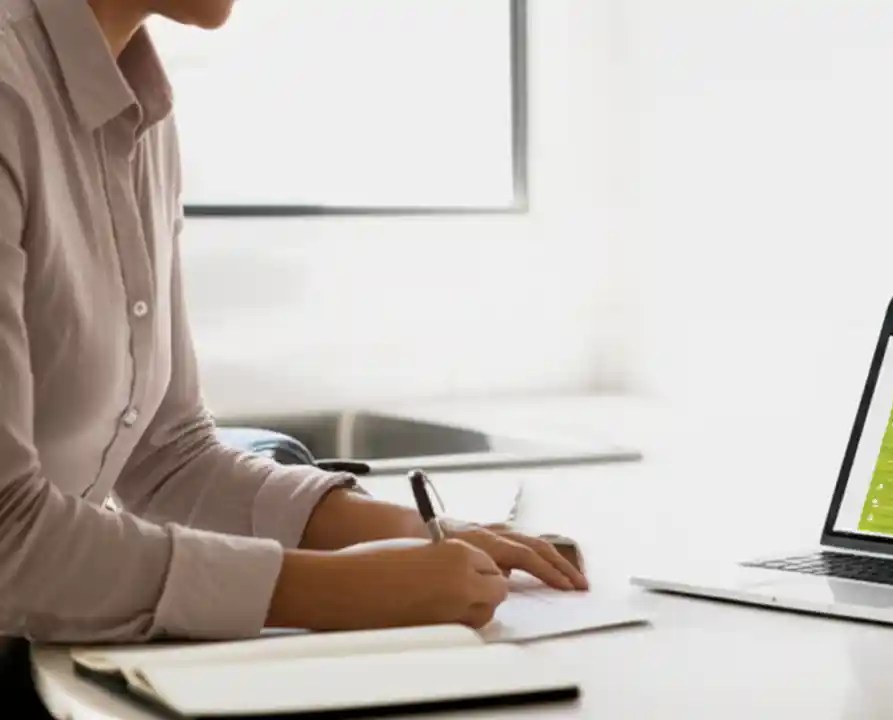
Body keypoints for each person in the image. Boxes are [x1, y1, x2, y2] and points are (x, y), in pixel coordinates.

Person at [0, 0, 588, 713]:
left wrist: (419, 534)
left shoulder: (138, 111)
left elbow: (169, 455)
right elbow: (7, 538)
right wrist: (339, 590)